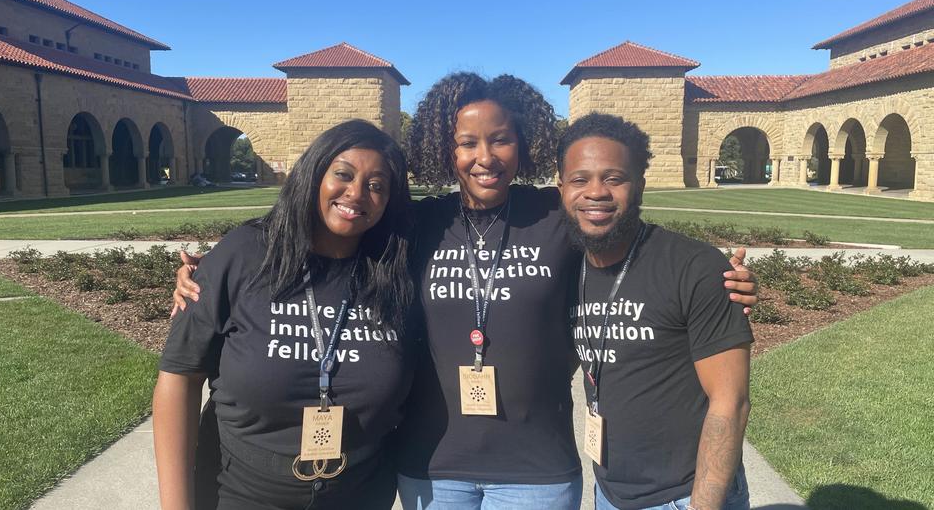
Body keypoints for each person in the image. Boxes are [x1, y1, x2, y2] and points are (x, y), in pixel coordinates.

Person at [173, 73, 758, 509]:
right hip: (432, 465)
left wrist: (718, 277)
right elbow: (331, 240)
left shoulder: (555, 216)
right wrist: (209, 272)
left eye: (500, 140)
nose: (485, 157)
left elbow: (621, 234)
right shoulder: (414, 226)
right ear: (444, 149)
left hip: (536, 468)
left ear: (522, 144)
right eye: (467, 143)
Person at [154, 120, 416, 510]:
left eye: (377, 185)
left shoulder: (397, 269)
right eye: (343, 174)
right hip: (239, 492)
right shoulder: (244, 256)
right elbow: (180, 377)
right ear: (315, 174)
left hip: (361, 493)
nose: (357, 193)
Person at [557, 113, 752, 510]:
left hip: (683, 495)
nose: (596, 192)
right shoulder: (567, 269)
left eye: (614, 178)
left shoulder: (693, 266)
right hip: (610, 493)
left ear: (640, 186)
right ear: (561, 189)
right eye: (580, 179)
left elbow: (730, 402)